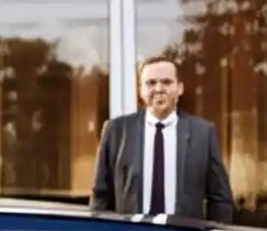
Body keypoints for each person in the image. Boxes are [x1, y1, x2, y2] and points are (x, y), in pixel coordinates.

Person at [91, 55, 234, 222]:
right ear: (140, 90)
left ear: (179, 88)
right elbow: (100, 198)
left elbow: (220, 199)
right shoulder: (116, 131)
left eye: (166, 82)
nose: (159, 89)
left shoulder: (203, 133)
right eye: (151, 83)